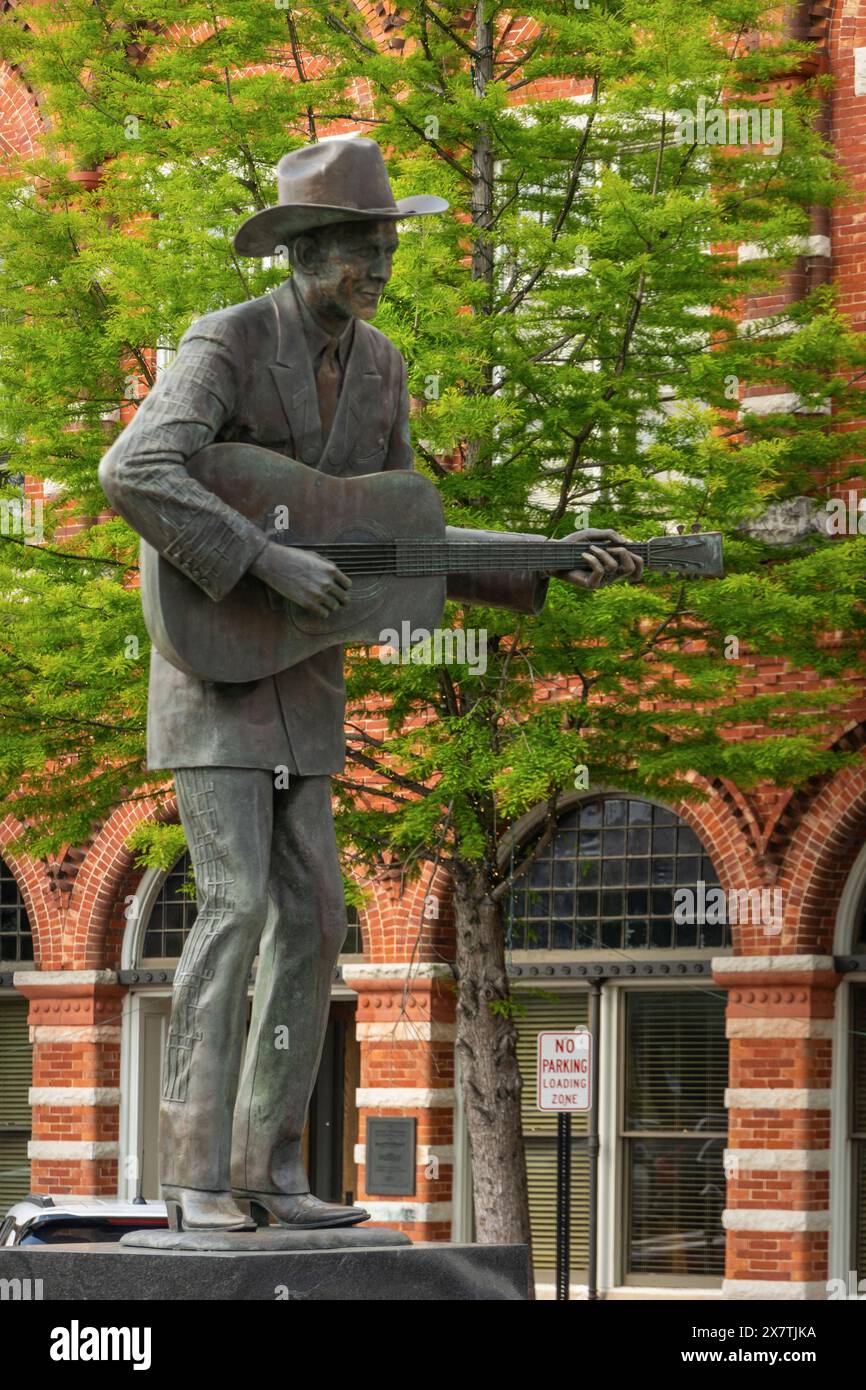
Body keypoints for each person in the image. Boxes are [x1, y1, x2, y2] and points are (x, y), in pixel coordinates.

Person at [98, 137, 642, 1232]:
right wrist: (260, 557)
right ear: (304, 249)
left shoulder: (383, 365)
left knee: (315, 914)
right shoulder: (225, 342)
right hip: (213, 675)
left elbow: (395, 534)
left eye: (388, 243)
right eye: (361, 246)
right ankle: (195, 1174)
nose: (382, 262)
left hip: (307, 679)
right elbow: (134, 467)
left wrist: (542, 557)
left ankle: (268, 1168)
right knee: (236, 902)